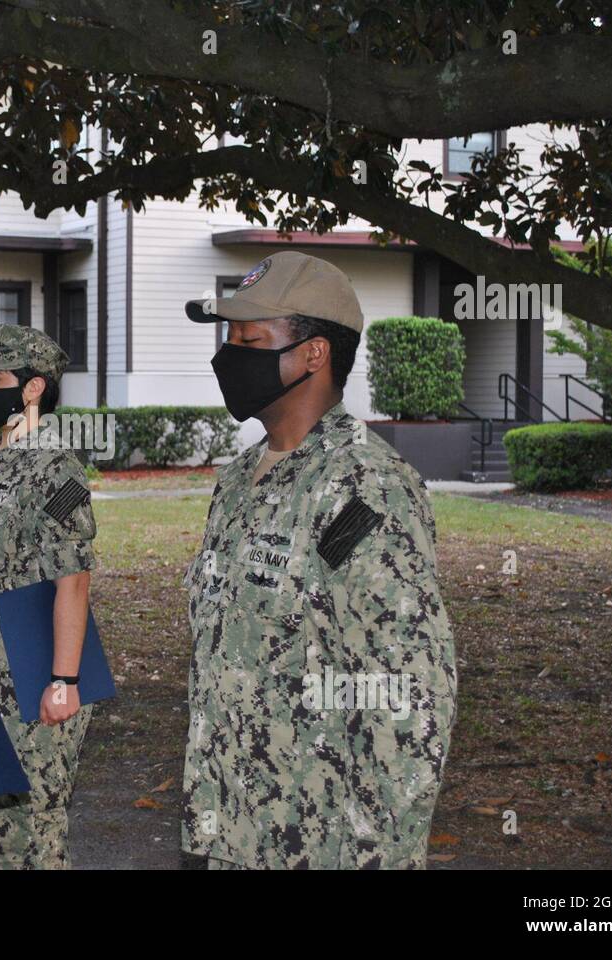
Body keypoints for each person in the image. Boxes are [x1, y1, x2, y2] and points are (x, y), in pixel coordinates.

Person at [180, 251, 457, 869]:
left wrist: (375, 854)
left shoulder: (364, 486)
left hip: (317, 843)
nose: (230, 357)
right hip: (229, 833)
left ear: (314, 354)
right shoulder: (238, 481)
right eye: (229, 341)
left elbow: (408, 694)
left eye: (251, 340)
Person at [0, 323, 96, 869]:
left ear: (32, 388)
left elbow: (73, 579)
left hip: (28, 678)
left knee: (34, 832)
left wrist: (65, 681)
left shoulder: (54, 467)